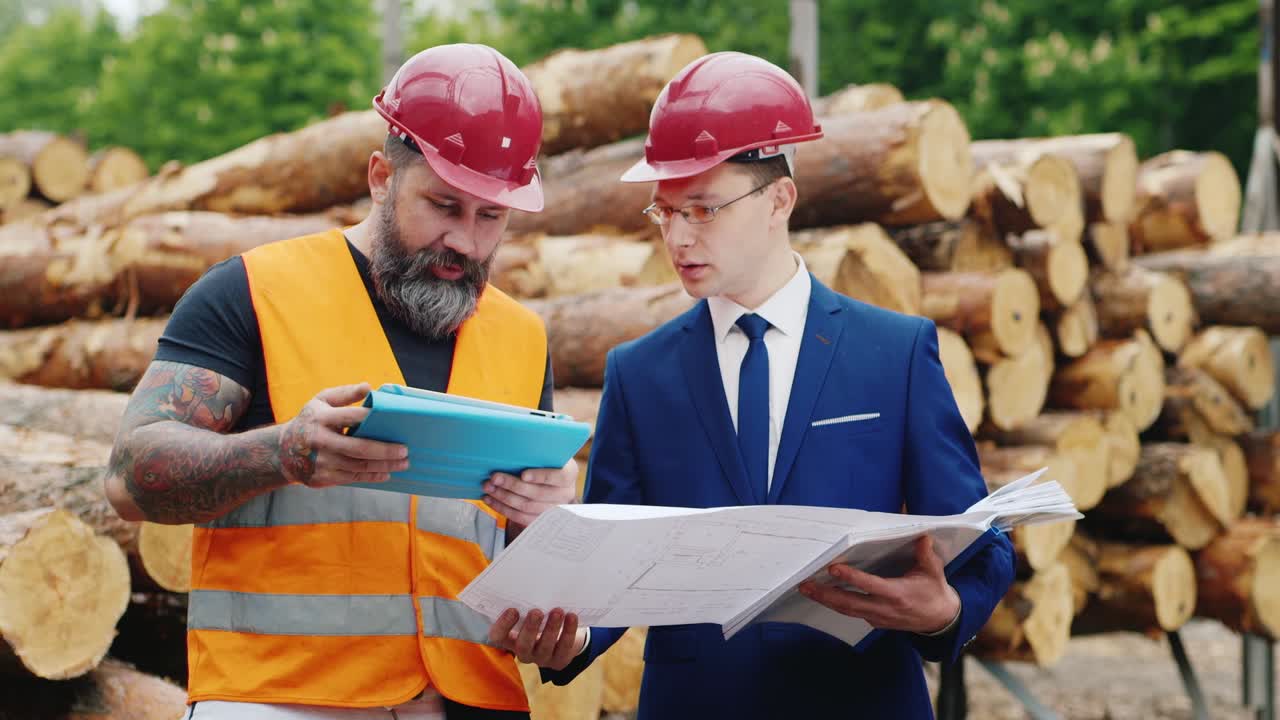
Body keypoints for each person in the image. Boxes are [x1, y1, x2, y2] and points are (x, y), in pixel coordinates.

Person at [497, 52, 1016, 718]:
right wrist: (568, 640)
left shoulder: (895, 352)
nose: (679, 237)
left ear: (780, 200)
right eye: (665, 212)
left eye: (704, 209)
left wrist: (946, 612)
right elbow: (612, 579)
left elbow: (981, 546)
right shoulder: (640, 373)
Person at [103, 43, 583, 720]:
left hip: (470, 700)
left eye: (491, 217)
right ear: (381, 176)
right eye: (444, 205)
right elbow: (128, 476)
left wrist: (548, 529)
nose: (467, 243)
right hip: (280, 698)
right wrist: (281, 452)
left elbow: (497, 550)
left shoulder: (523, 338)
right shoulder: (252, 293)